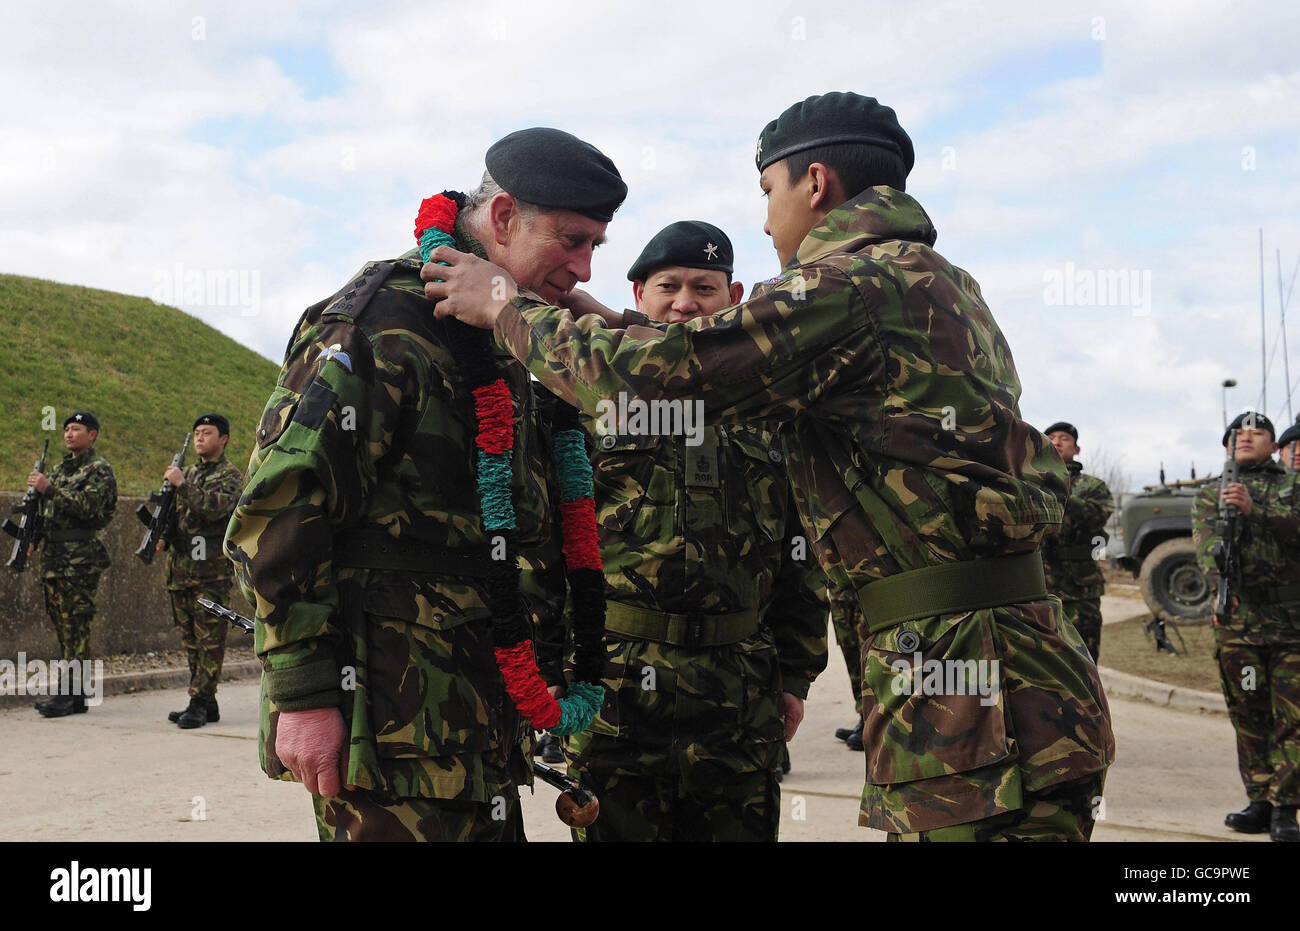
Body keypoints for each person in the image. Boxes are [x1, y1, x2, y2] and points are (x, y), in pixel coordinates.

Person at [423, 91, 1115, 841]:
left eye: (768, 191)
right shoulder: (929, 281)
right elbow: (715, 367)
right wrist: (606, 319)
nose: (765, 219)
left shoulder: (849, 285)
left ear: (815, 184)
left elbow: (674, 374)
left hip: (969, 688)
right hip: (996, 673)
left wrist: (507, 308)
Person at [225, 127, 626, 841]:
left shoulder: (507, 334)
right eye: (571, 240)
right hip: (389, 731)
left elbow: (510, 530)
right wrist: (303, 692)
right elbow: (282, 504)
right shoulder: (386, 317)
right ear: (502, 217)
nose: (585, 267)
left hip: (479, 723)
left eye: (596, 244)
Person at [542, 220, 827, 841]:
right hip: (614, 685)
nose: (685, 302)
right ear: (638, 294)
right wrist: (550, 666)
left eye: (705, 286)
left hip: (739, 690)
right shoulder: (587, 403)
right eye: (668, 286)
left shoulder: (773, 412)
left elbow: (800, 556)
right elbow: (545, 546)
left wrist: (796, 677)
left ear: (736, 297)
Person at [1192, 411, 1300, 842]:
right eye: (1238, 433)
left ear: (1274, 446)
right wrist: (1217, 581)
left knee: (1292, 717)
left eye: (1258, 433)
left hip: (1291, 626)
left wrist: (1255, 510)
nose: (1246, 437)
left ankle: (1286, 808)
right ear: (1226, 446)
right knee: (1249, 712)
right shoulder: (1209, 493)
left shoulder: (1293, 486)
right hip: (1239, 626)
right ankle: (1259, 799)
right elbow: (1204, 545)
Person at [26, 411, 117, 717]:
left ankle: (68, 694)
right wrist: (32, 537)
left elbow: (89, 509)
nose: (68, 434)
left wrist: (48, 488)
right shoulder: (59, 469)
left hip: (79, 561)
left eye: (76, 429)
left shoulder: (99, 470)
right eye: (66, 429)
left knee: (75, 627)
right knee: (64, 629)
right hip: (54, 558)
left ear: (92, 435)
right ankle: (76, 696)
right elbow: (46, 511)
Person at [161, 413, 244, 728]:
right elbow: (179, 516)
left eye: (206, 433)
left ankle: (199, 701)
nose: (199, 438)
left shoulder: (231, 476)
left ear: (223, 439)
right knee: (190, 639)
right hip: (181, 570)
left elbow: (214, 509)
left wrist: (182, 485)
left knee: (210, 638)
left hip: (211, 572)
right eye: (196, 432)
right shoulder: (190, 471)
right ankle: (205, 702)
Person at [1041, 422, 1114, 661]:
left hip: (1080, 588)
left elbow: (1096, 516)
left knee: (1085, 661)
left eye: (1064, 438)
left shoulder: (1093, 486)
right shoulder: (1030, 482)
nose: (1057, 442)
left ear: (1077, 448)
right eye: (1051, 437)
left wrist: (1060, 492)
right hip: (1039, 587)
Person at [829, 586, 865, 750]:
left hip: (867, 588)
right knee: (850, 649)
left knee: (870, 651)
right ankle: (864, 715)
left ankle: (875, 718)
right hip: (840, 591)